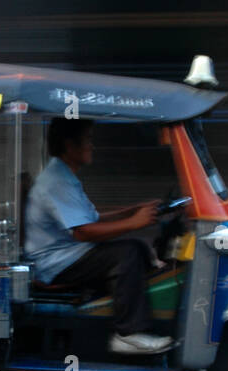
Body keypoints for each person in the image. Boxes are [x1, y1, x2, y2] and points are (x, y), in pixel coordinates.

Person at [23, 117, 173, 355]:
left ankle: (134, 316)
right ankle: (128, 333)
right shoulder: (57, 182)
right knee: (127, 254)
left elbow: (90, 218)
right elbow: (83, 232)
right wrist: (133, 222)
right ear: (70, 145)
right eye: (88, 140)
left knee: (137, 246)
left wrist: (132, 211)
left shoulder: (64, 176)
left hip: (67, 255)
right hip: (54, 264)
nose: (93, 146)